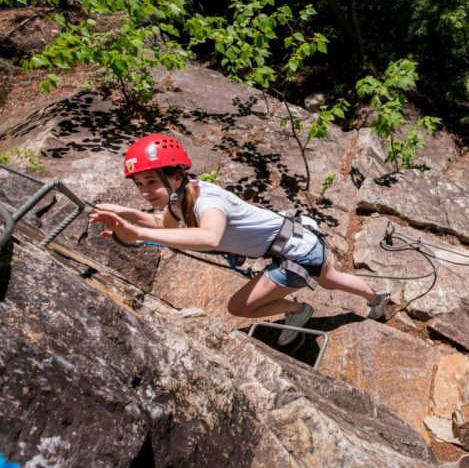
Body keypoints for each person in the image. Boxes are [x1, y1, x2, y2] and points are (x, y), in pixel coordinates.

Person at [89, 133, 390, 346]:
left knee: (238, 307)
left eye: (152, 182)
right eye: (140, 184)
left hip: (297, 254)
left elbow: (210, 236)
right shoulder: (178, 199)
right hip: (298, 238)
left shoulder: (207, 202)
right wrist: (125, 214)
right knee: (331, 279)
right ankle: (377, 300)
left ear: (176, 176)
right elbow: (161, 225)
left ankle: (298, 311)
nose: (144, 192)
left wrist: (138, 233)